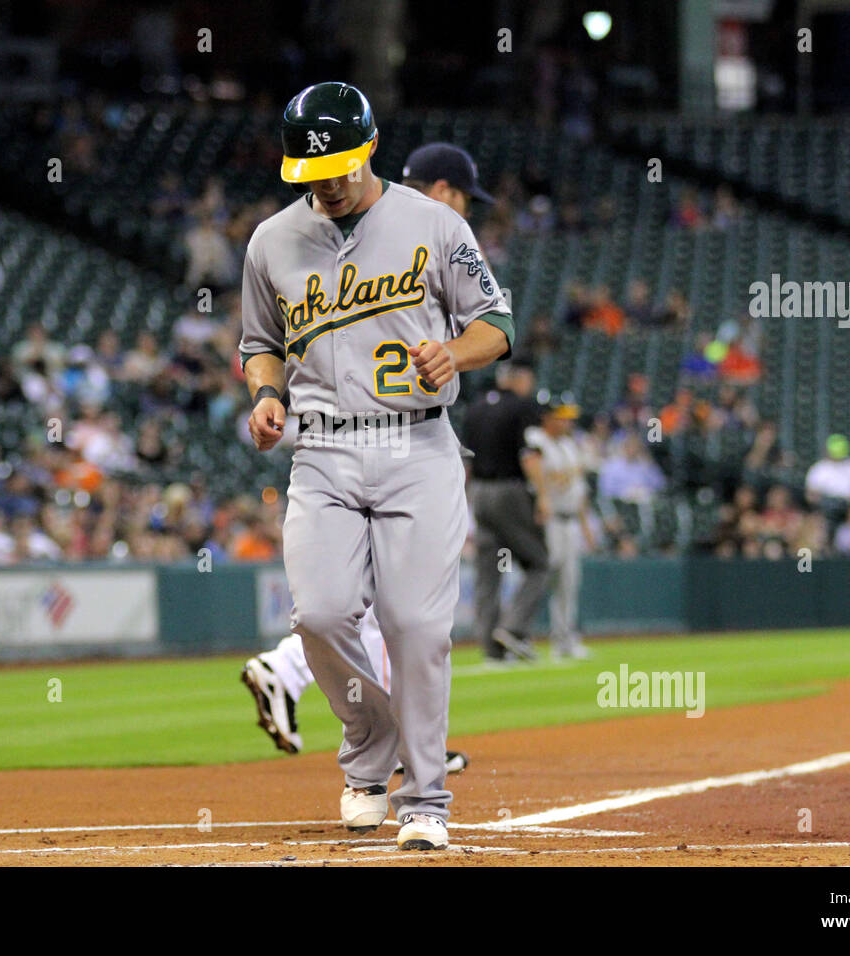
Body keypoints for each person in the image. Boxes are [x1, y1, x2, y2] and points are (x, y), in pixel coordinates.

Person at [239, 84, 512, 851]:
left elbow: (498, 323)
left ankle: (424, 799)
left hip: (417, 444)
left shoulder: (433, 221)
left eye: (336, 165)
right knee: (321, 615)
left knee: (417, 624)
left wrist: (452, 352)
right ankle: (371, 749)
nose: (324, 181)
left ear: (368, 146)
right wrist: (265, 394)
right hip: (322, 447)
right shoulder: (272, 242)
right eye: (310, 168)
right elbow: (259, 341)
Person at [463, 357, 549, 661]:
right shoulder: (522, 407)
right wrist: (542, 497)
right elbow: (529, 456)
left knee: (487, 574)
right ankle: (513, 628)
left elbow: (466, 463)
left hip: (479, 493)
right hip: (509, 491)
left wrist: (466, 502)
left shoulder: (474, 408)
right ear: (520, 378)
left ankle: (491, 648)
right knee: (540, 563)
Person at [524, 399, 594, 659]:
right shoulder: (535, 439)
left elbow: (579, 489)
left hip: (570, 520)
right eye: (562, 417)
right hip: (547, 520)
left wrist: (586, 526)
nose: (567, 422)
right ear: (548, 417)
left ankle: (564, 639)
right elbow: (540, 475)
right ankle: (521, 636)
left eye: (569, 417)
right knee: (539, 578)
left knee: (568, 582)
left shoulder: (568, 444)